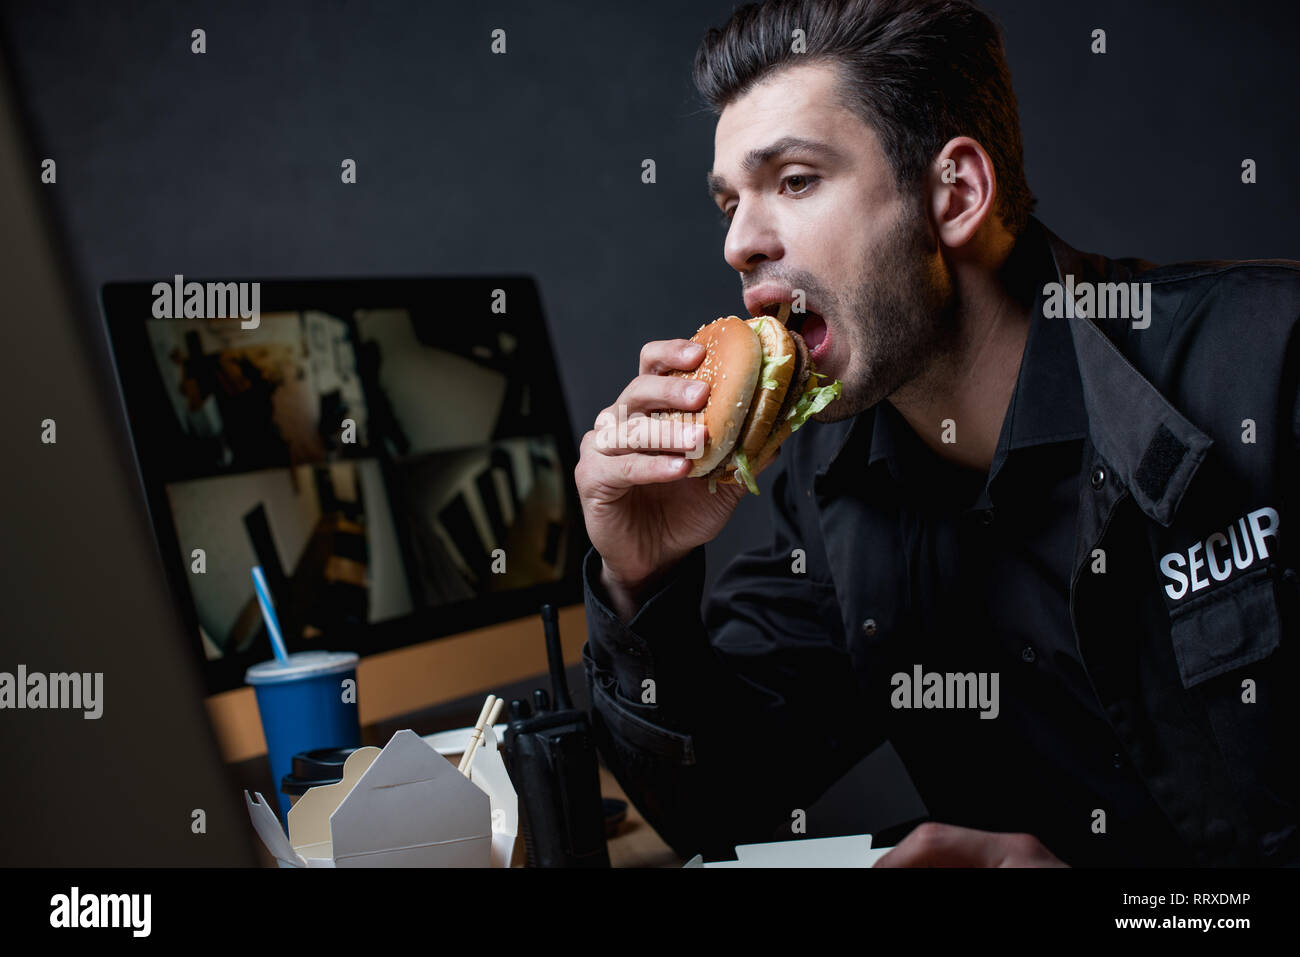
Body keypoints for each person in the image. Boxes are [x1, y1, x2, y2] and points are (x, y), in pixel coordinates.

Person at [573, 0, 1300, 866]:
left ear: (955, 194)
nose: (738, 243)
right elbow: (719, 803)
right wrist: (638, 577)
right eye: (730, 202)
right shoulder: (831, 477)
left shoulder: (1271, 368)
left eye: (795, 180)